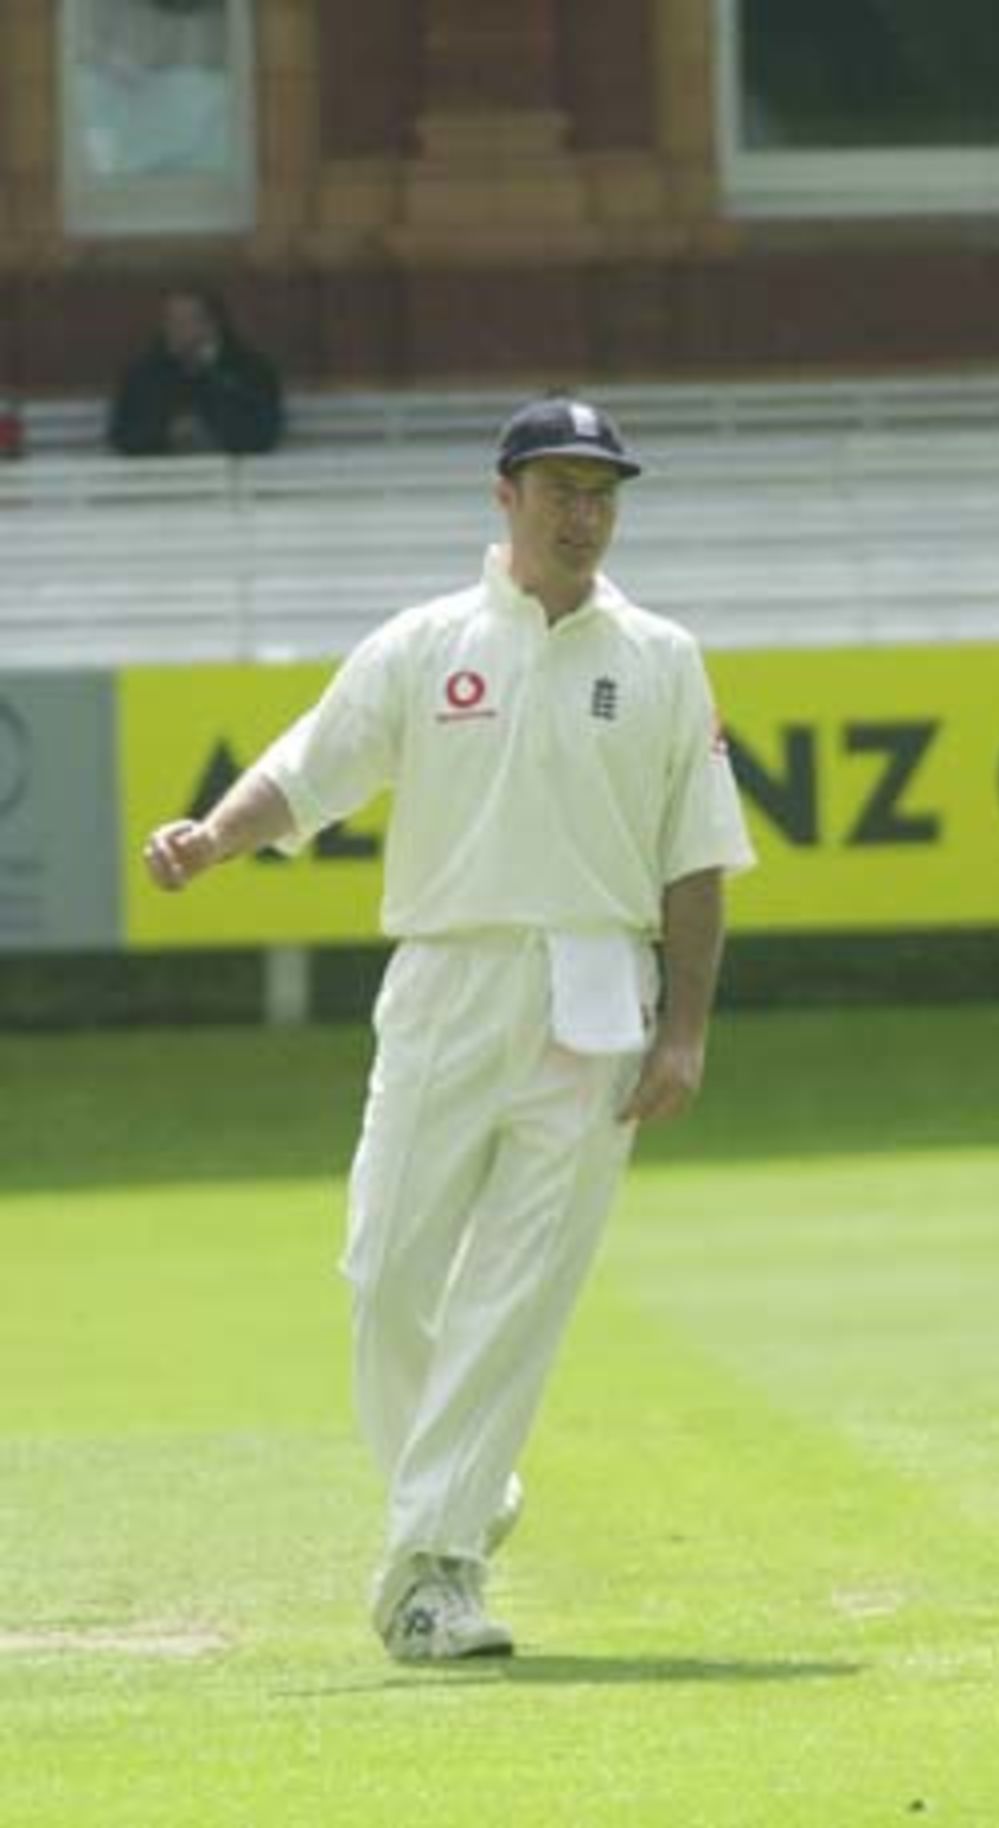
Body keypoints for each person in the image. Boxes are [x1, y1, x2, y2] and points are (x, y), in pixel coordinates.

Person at [141, 395, 755, 1662]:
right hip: (444, 980)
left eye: (602, 494)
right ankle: (467, 1482)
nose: (583, 516)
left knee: (518, 1292)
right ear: (505, 497)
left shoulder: (661, 656)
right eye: (560, 491)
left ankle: (434, 1567)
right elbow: (311, 766)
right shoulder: (426, 644)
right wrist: (213, 837)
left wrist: (686, 1032)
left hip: (596, 990)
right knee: (383, 1274)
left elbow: (697, 857)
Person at [108, 286, 283, 456]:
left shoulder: (250, 371)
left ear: (212, 325)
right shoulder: (143, 374)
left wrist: (209, 431)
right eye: (170, 320)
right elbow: (122, 436)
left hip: (233, 469)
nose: (175, 329)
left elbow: (264, 434)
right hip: (160, 470)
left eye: (186, 321)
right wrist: (166, 433)